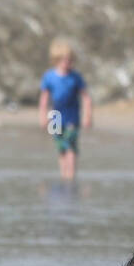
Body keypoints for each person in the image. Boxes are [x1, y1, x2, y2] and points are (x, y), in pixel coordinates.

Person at [37, 39, 92, 181]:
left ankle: (71, 176)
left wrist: (88, 116)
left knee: (71, 147)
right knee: (61, 147)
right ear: (56, 60)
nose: (67, 63)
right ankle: (64, 175)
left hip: (71, 116)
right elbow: (44, 99)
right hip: (55, 116)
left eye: (70, 60)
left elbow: (86, 98)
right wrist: (43, 117)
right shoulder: (49, 76)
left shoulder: (75, 77)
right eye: (64, 60)